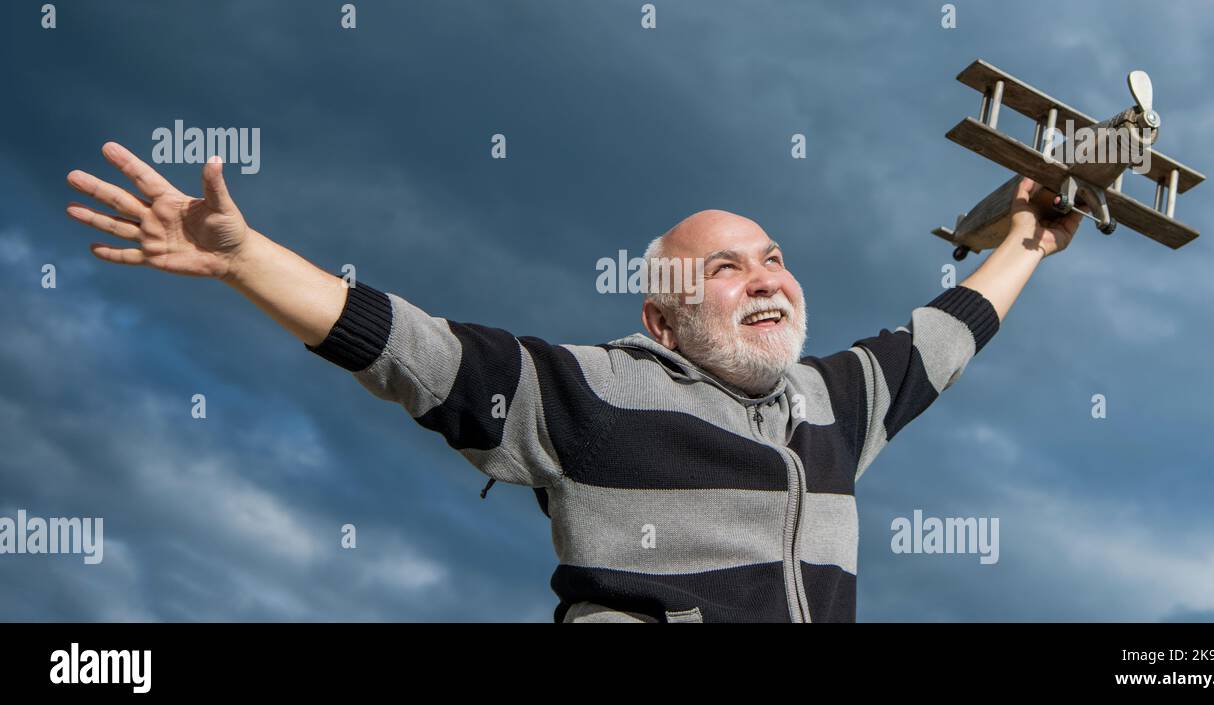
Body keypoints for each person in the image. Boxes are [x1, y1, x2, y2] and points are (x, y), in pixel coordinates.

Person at [64, 142, 1086, 622]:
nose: (765, 276)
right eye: (725, 267)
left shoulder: (831, 406)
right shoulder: (588, 390)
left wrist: (1031, 239)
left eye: (773, 257)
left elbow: (943, 335)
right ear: (663, 319)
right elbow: (411, 349)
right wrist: (247, 261)